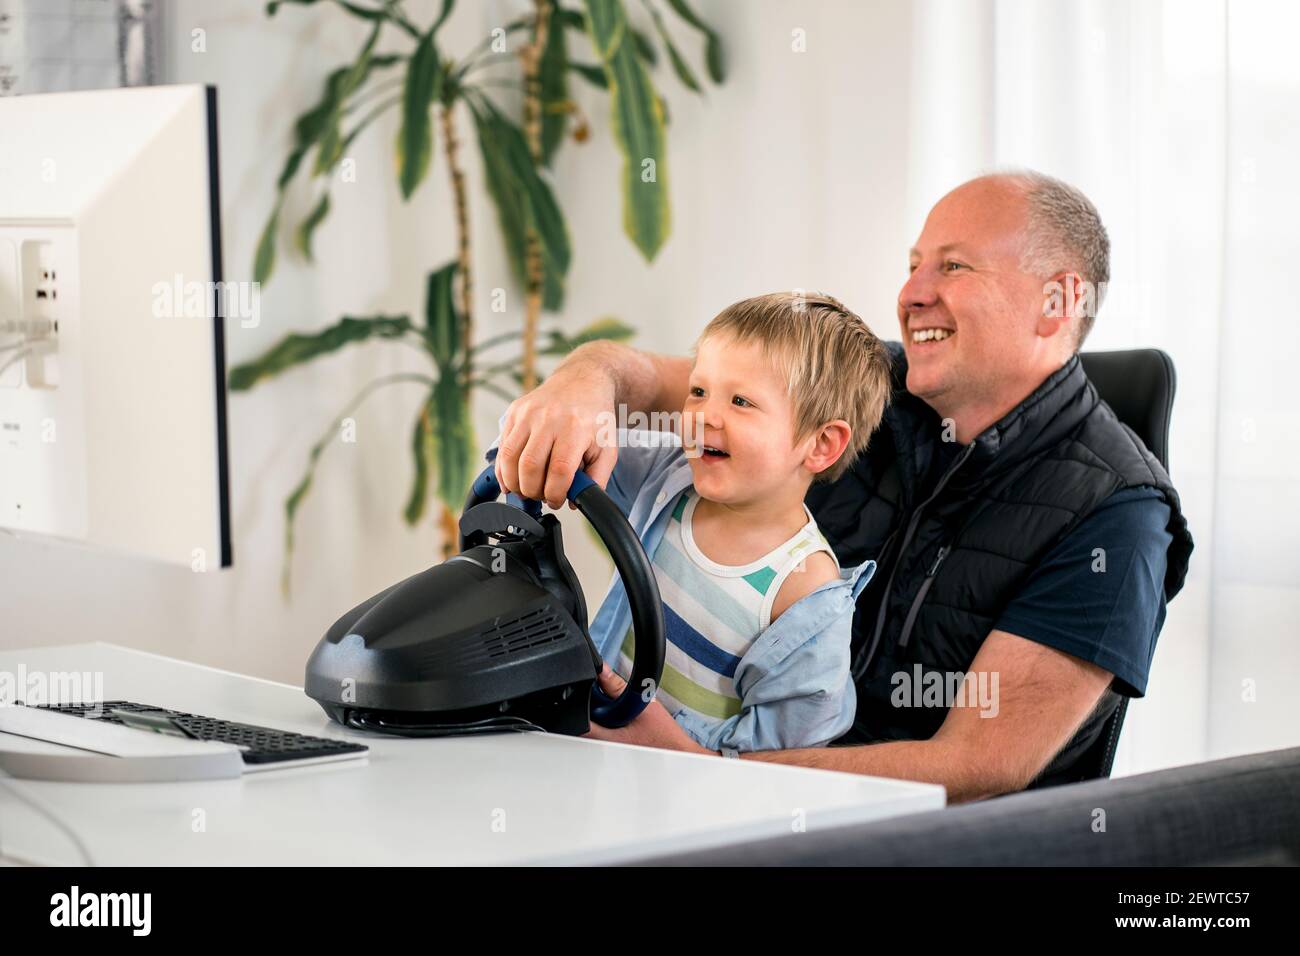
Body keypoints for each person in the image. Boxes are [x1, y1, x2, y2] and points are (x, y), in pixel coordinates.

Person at [492, 170, 1194, 802]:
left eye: (952, 266)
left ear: (1058, 300)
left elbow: (980, 765)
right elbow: (649, 384)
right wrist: (585, 380)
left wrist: (697, 769)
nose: (911, 294)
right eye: (913, 266)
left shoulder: (1119, 514)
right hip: (674, 785)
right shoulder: (861, 387)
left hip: (882, 843)